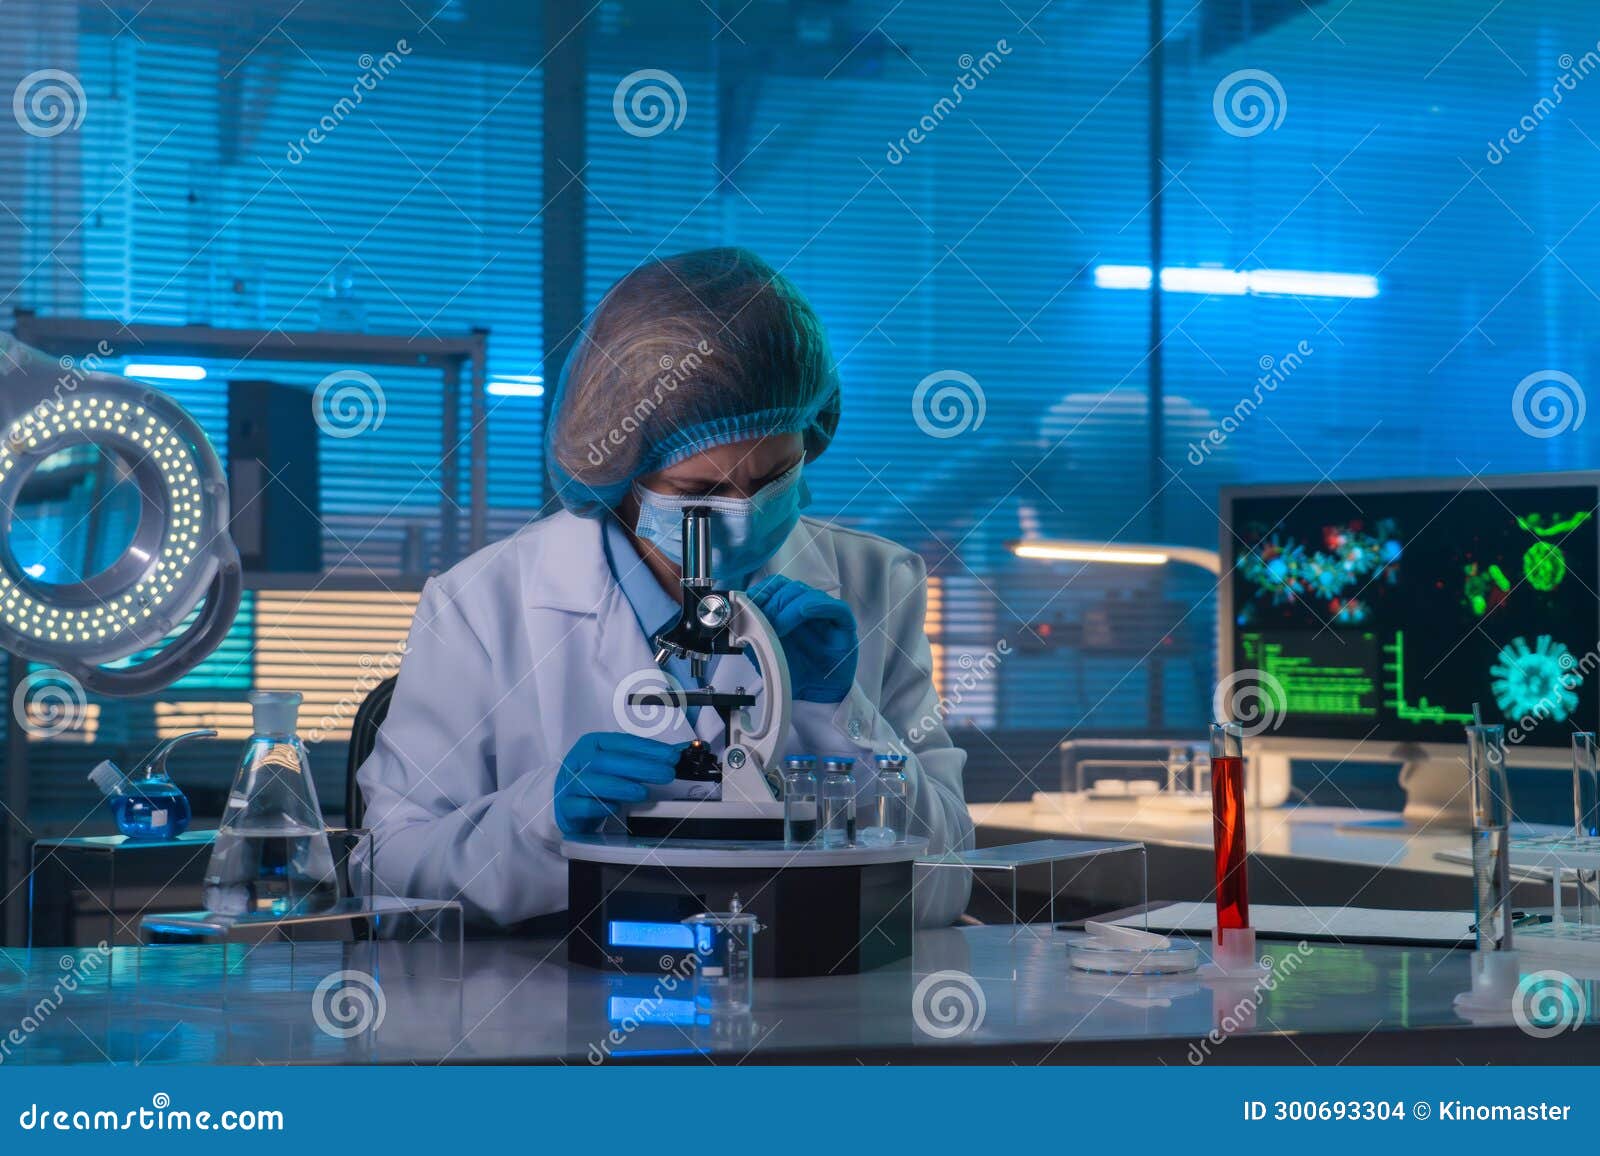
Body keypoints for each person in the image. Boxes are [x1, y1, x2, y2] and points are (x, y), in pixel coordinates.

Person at [353, 247, 973, 929]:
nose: (741, 513)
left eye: (775, 479)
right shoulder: (483, 604)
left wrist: (840, 718)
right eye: (699, 492)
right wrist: (537, 822)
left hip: (811, 1005)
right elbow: (387, 880)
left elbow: (946, 886)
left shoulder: (877, 582)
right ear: (618, 472)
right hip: (557, 1011)